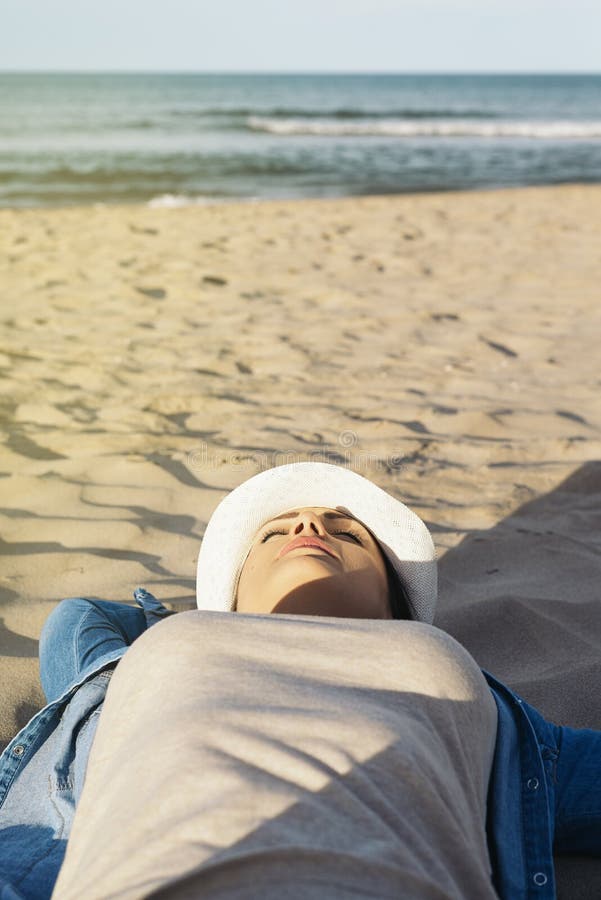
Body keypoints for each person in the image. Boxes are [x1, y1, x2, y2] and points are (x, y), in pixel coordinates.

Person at [0, 462, 599, 899]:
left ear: (394, 605)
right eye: (272, 533)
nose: (309, 521)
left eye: (347, 533)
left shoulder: (473, 697)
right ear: (229, 600)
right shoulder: (147, 664)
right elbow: (80, 617)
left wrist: (173, 634)